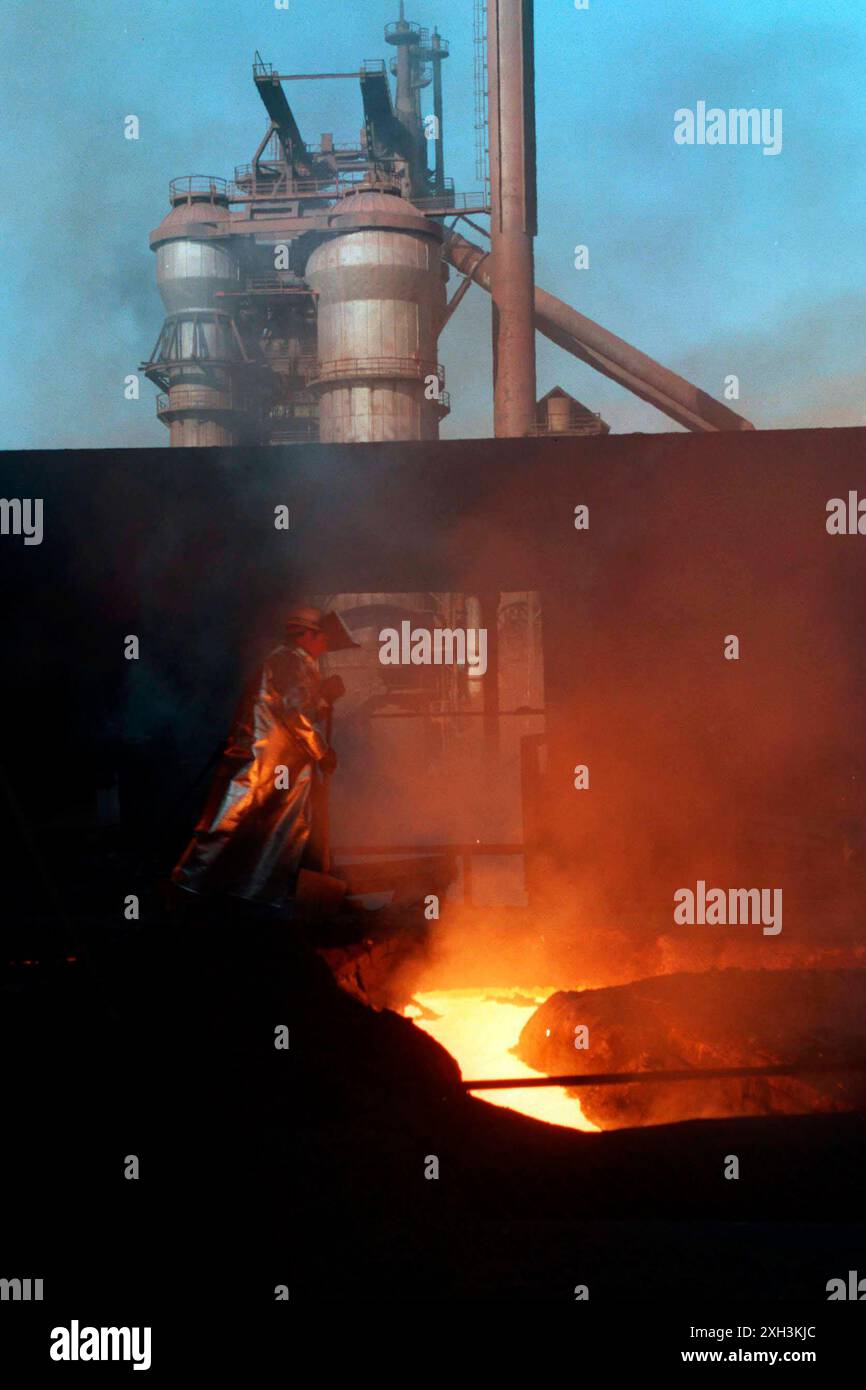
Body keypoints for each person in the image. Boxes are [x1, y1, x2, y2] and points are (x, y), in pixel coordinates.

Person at [171, 604, 358, 913]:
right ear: (307, 634)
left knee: (279, 832)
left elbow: (303, 708)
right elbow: (295, 712)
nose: (326, 646)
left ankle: (257, 893)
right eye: (324, 638)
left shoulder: (299, 662)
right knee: (231, 821)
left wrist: (324, 696)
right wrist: (322, 752)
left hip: (281, 766)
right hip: (259, 761)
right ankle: (186, 885)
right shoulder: (286, 660)